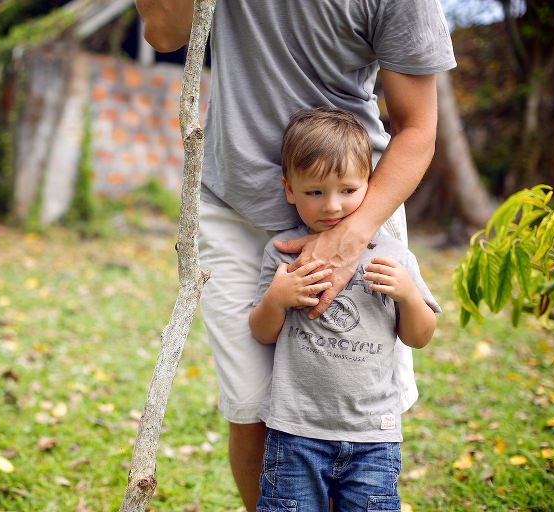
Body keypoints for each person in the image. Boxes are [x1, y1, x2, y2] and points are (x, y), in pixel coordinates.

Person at [134, 1, 456, 509]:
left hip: (359, 203)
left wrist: (352, 236)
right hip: (234, 205)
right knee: (250, 405)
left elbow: (417, 127)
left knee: (363, 401)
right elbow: (163, 34)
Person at [249, 107, 440, 511]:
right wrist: (277, 299)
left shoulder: (393, 257)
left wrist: (408, 295)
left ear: (370, 183)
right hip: (295, 432)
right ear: (289, 189)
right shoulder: (284, 255)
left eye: (348, 190)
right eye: (315, 193)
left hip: (373, 436)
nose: (332, 206)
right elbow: (262, 332)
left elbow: (420, 337)